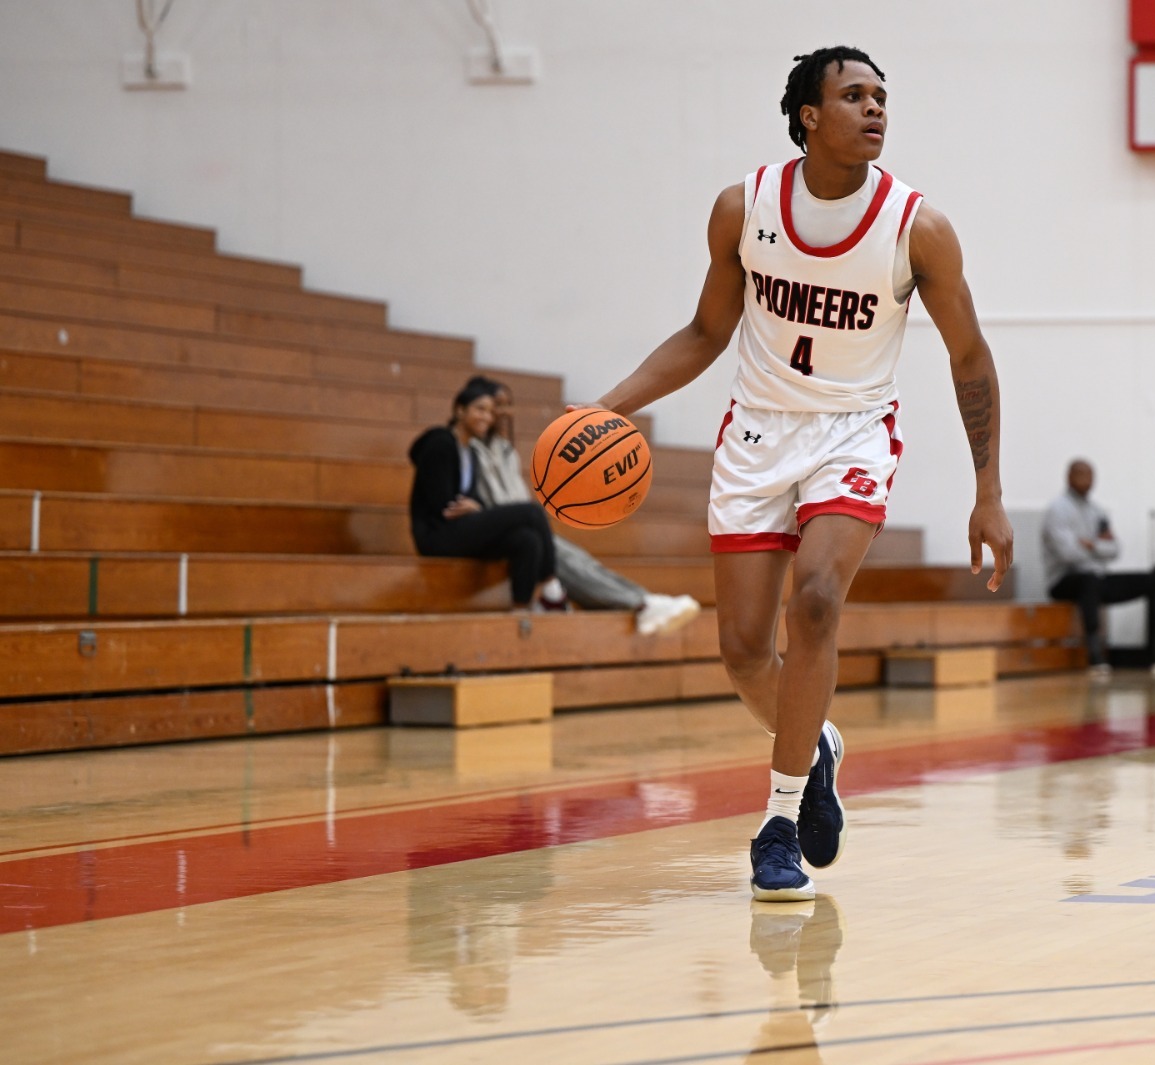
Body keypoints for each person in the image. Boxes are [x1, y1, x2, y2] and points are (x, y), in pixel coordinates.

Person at [587, 46, 1012, 902]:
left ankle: (778, 821)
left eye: (882, 97)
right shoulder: (743, 209)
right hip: (756, 433)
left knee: (816, 597)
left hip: (854, 430)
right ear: (809, 115)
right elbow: (706, 333)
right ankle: (812, 745)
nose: (875, 109)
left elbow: (970, 355)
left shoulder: (916, 226)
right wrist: (611, 406)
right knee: (744, 650)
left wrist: (988, 491)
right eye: (854, 95)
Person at [461, 376, 702, 636]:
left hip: (518, 524)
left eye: (505, 405)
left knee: (575, 556)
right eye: (493, 405)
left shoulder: (504, 449)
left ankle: (641, 601)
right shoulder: (467, 448)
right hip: (500, 532)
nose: (499, 411)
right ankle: (640, 603)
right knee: (555, 549)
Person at [408, 380, 565, 610]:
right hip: (436, 535)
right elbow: (443, 504)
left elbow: (472, 499)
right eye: (480, 409)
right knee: (531, 512)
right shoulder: (440, 443)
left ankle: (521, 610)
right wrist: (472, 507)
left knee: (527, 539)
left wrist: (476, 507)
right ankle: (552, 588)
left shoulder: (470, 451)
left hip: (459, 529)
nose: (487, 417)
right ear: (460, 411)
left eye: (490, 412)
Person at [1043, 459, 1155, 676]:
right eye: (1080, 474)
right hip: (1064, 580)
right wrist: (1097, 546)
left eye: (1089, 475)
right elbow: (1067, 553)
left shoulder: (1097, 511)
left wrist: (1090, 544)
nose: (1085, 480)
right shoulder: (1057, 510)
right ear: (1068, 477)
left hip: (1097, 576)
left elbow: (1114, 549)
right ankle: (1095, 654)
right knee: (1089, 580)